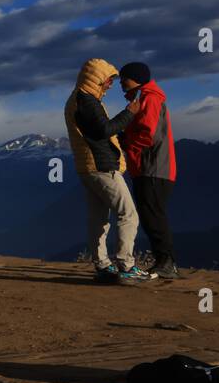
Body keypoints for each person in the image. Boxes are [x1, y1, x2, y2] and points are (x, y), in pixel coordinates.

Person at [64, 59, 152, 283]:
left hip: (86, 168)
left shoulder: (76, 99)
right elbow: (104, 130)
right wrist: (129, 113)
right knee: (128, 214)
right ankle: (126, 264)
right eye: (109, 80)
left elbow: (97, 130)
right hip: (101, 167)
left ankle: (103, 265)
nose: (111, 85)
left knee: (98, 218)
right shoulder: (87, 101)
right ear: (97, 78)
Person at [119, 62, 179, 279]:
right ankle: (164, 262)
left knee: (152, 216)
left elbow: (147, 133)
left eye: (124, 78)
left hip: (153, 168)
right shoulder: (145, 97)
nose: (120, 82)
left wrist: (125, 143)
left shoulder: (150, 98)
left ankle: (166, 263)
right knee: (151, 215)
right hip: (151, 168)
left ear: (135, 78)